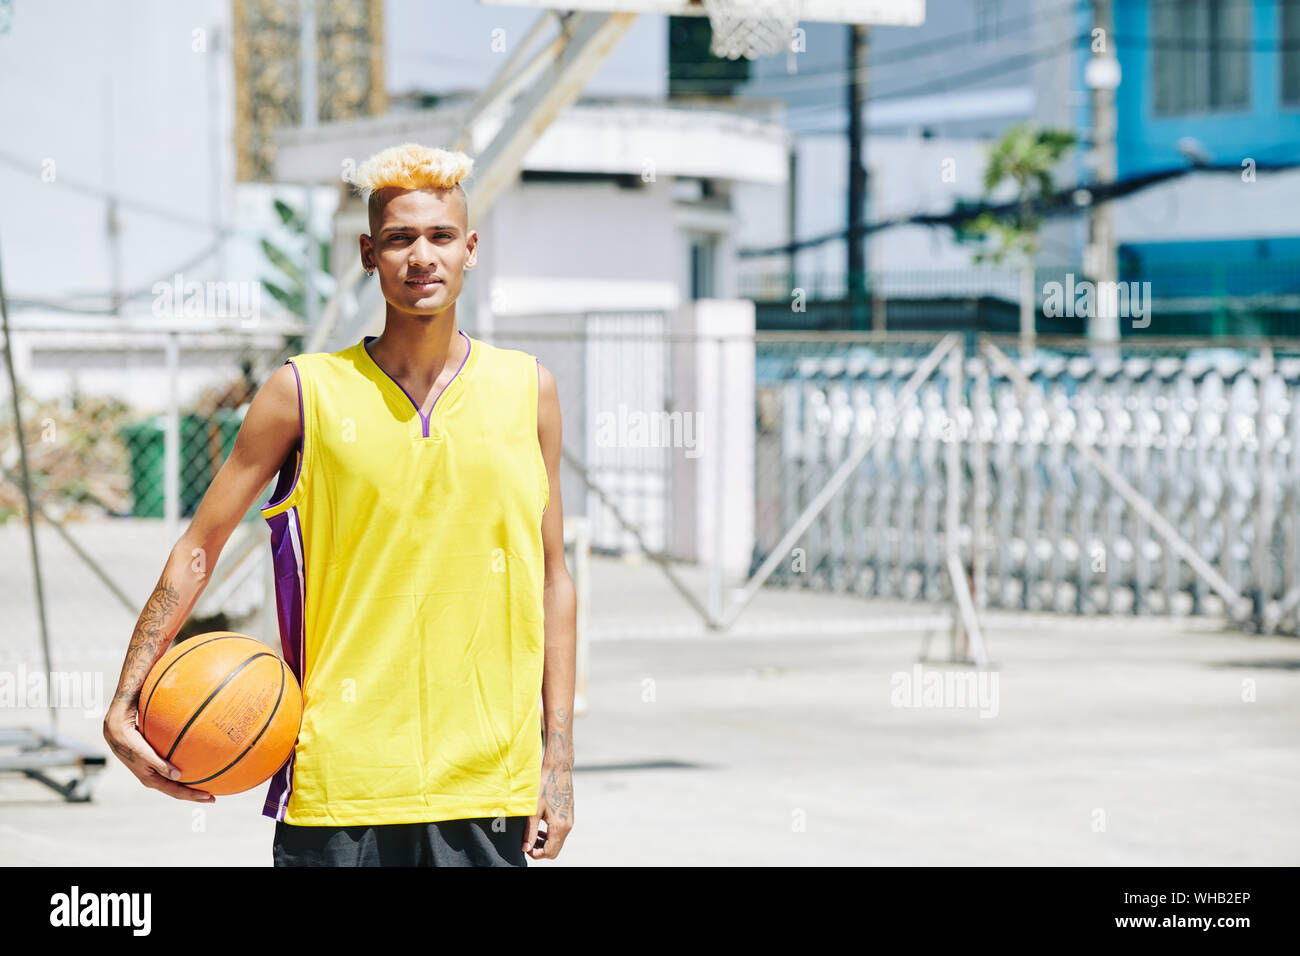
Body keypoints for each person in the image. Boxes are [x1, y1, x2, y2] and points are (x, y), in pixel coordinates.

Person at [103, 143, 576, 867]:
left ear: (471, 248)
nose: (422, 256)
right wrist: (127, 693)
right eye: (399, 238)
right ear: (367, 252)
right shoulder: (303, 393)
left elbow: (553, 579)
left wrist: (561, 761)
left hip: (488, 785)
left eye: (441, 236)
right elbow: (201, 543)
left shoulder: (528, 391)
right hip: (340, 785)